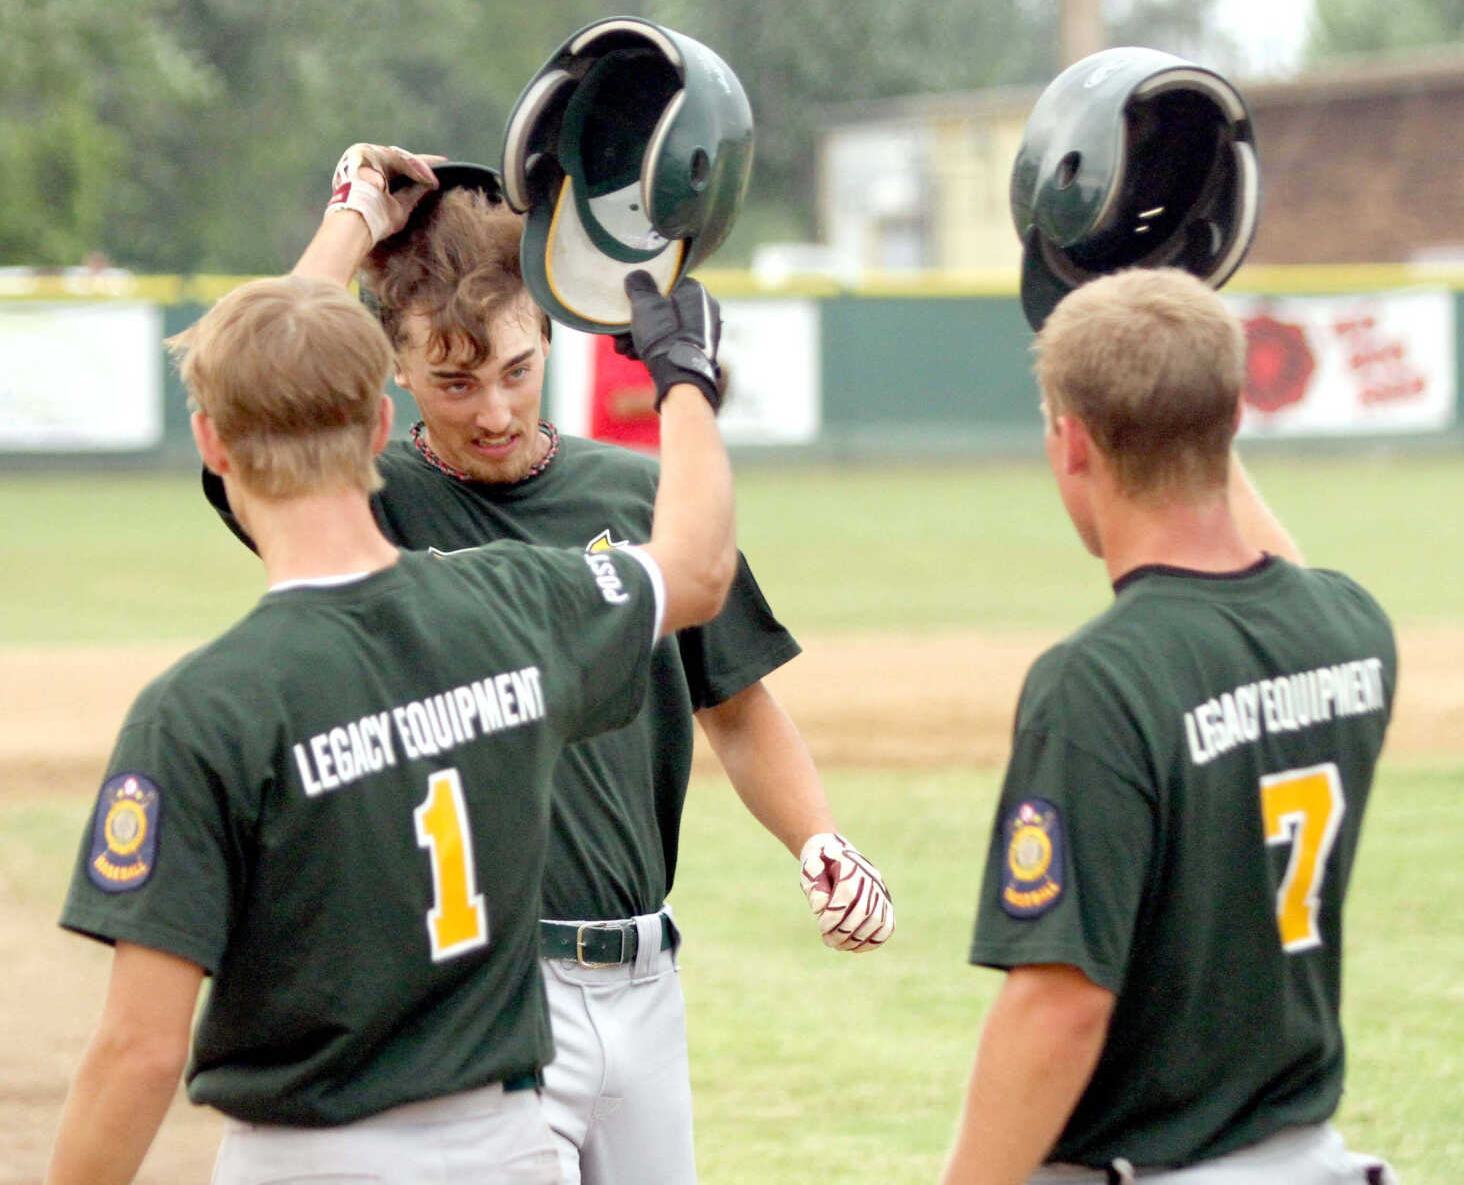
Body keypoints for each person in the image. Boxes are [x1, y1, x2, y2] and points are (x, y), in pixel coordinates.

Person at [205, 143, 895, 1185]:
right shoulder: (371, 504)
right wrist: (355, 214)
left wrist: (820, 843)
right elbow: (267, 390)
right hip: (485, 992)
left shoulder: (637, 498)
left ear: (549, 334)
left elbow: (738, 706)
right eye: (452, 378)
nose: (492, 408)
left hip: (647, 979)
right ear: (392, 367)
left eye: (517, 369)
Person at [45, 270, 738, 1184]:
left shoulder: (203, 708)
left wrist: (356, 215)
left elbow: (139, 1052)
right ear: (380, 427)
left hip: (308, 1157)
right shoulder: (517, 602)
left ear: (212, 443)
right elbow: (696, 566)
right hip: (504, 1146)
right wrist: (682, 379)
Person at [940, 268, 1398, 1184]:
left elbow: (1060, 1007)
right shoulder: (1352, 630)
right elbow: (1280, 588)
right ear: (1233, 423)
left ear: (1071, 444)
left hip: (1150, 1166)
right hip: (1309, 1161)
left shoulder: (1097, 682)